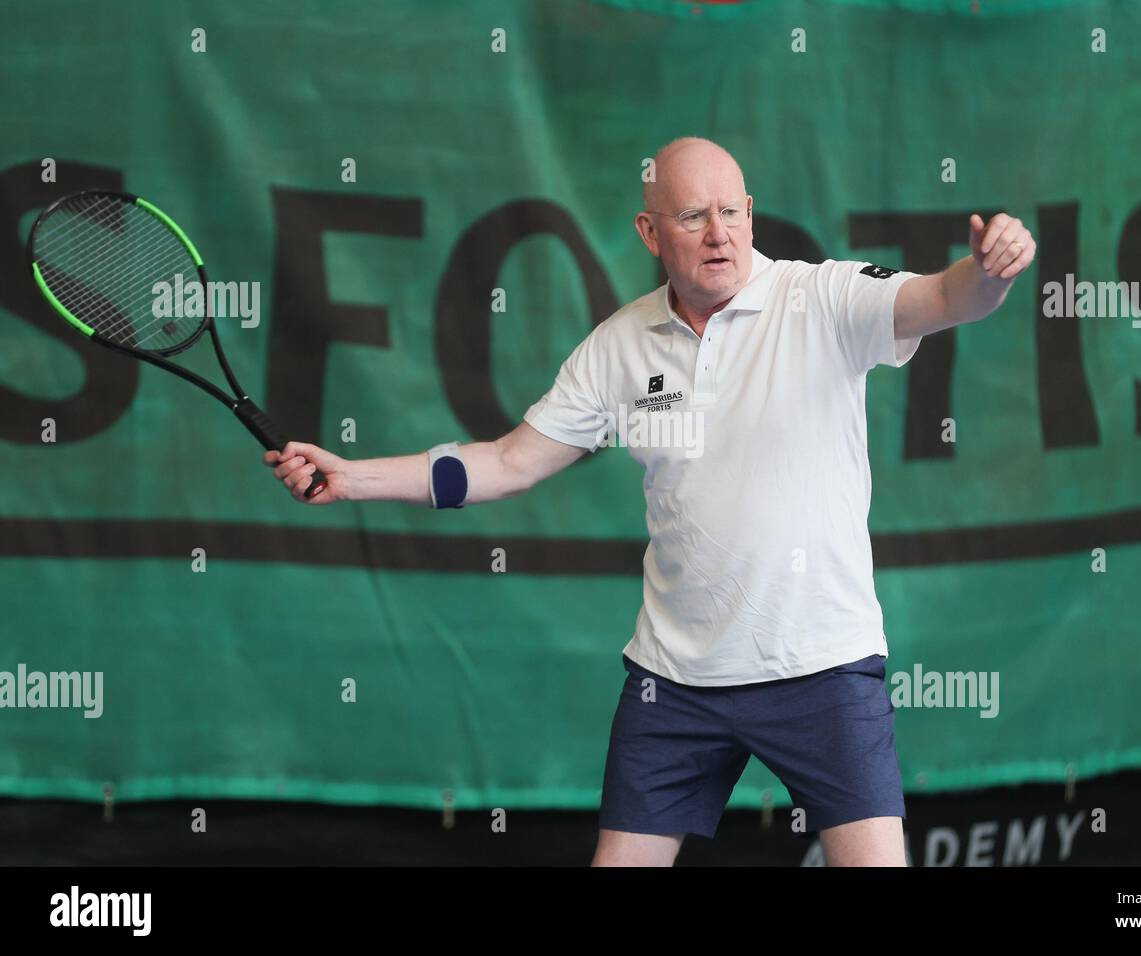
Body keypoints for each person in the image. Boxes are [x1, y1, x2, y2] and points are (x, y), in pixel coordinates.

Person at [265, 137, 1036, 866]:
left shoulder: (824, 299)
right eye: (693, 216)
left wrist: (991, 271)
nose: (718, 234)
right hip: (675, 683)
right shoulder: (618, 346)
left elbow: (945, 298)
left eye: (732, 211)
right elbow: (505, 462)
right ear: (649, 230)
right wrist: (352, 476)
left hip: (822, 667)